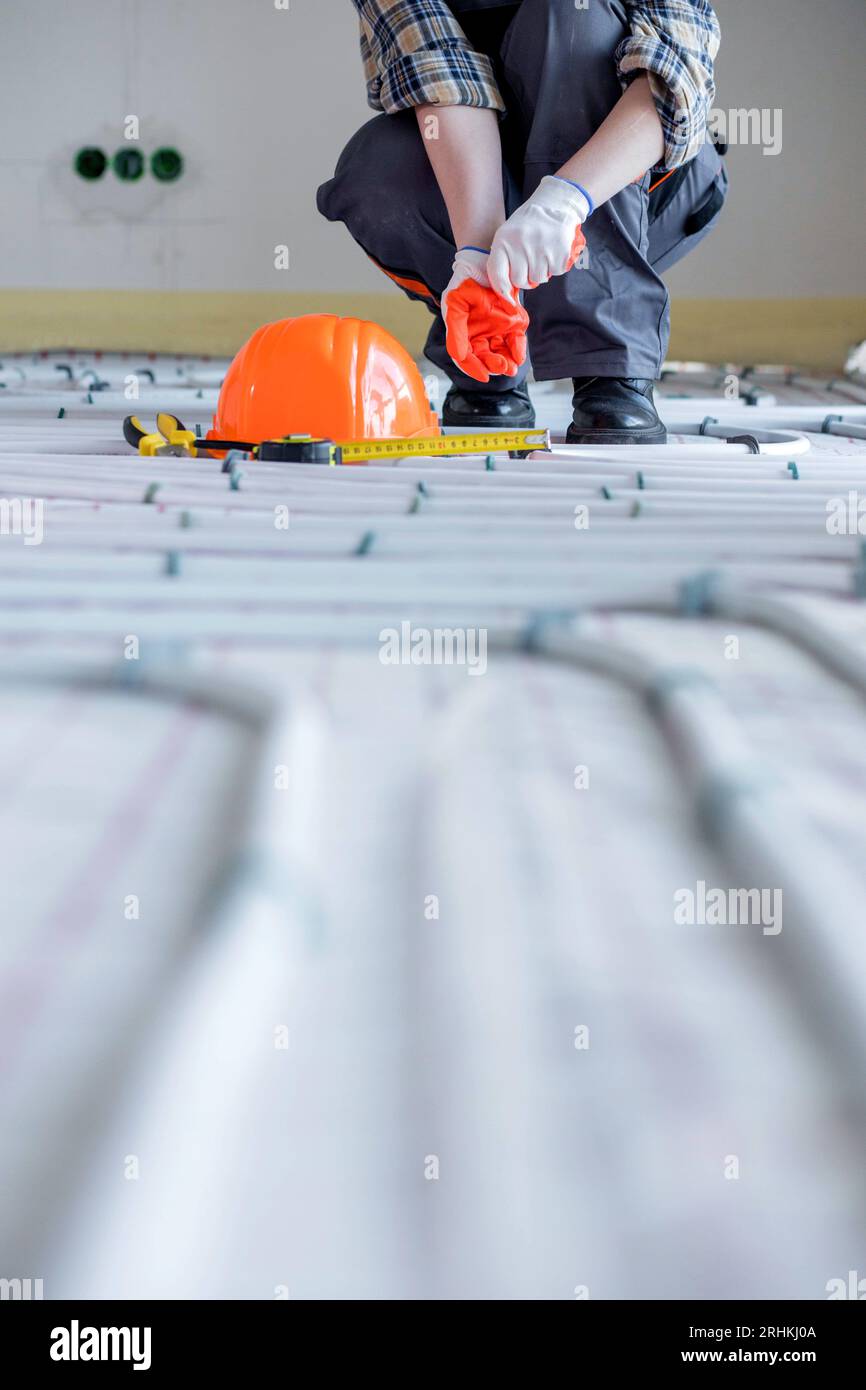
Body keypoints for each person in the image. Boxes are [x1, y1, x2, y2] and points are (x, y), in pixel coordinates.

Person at [318, 1, 726, 444]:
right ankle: (491, 342)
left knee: (570, 12)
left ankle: (607, 363)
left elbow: (674, 80)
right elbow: (441, 75)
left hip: (639, 184)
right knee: (379, 169)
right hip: (484, 178)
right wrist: (477, 255)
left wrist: (567, 199)